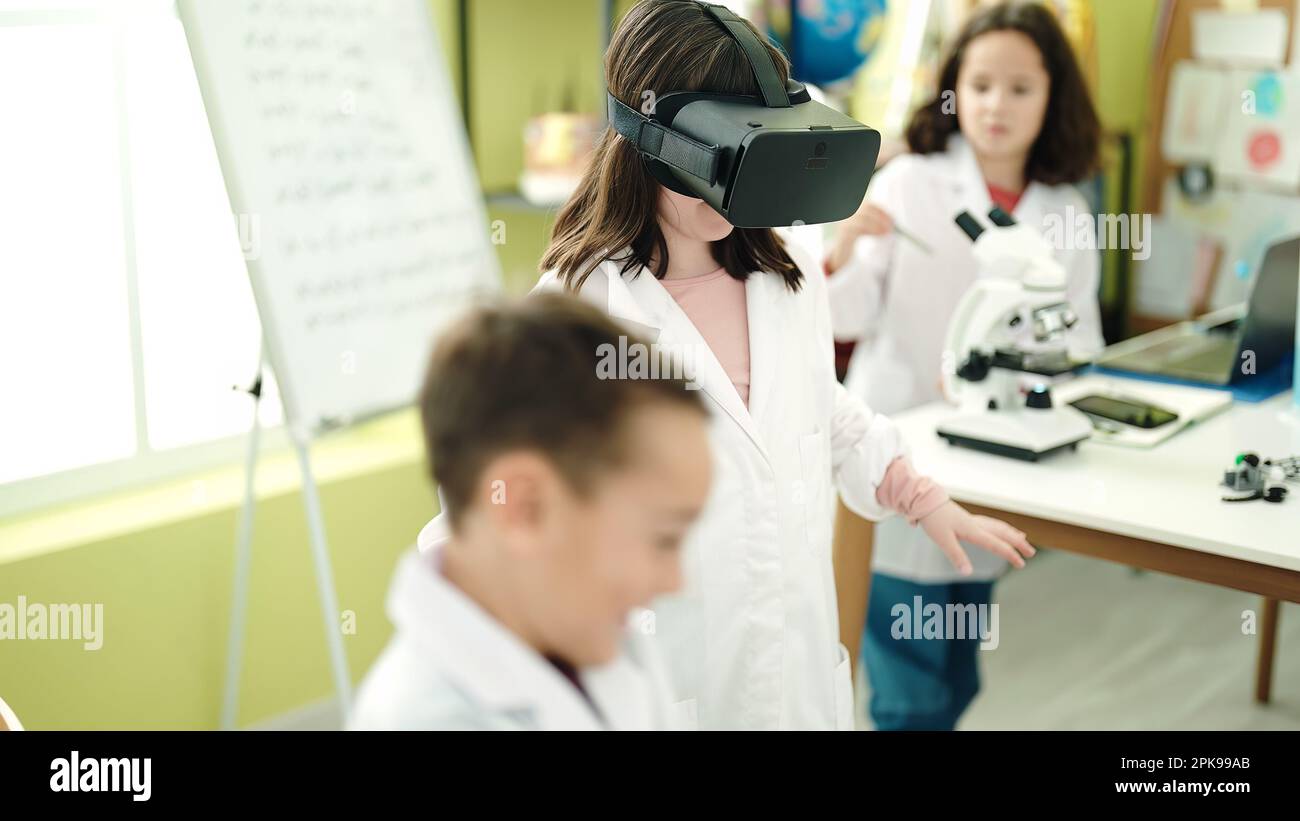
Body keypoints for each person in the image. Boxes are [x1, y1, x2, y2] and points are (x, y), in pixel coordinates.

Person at [519, 0, 1036, 730]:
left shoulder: (784, 272)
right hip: (669, 674)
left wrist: (922, 498)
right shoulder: (583, 310)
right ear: (652, 139)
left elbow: (825, 414)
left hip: (793, 671)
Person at [826, 1, 1105, 730]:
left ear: (1054, 98)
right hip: (898, 450)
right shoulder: (908, 183)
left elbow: (1078, 349)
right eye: (979, 85)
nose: (995, 106)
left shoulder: (1066, 208)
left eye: (1020, 88)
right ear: (953, 89)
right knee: (910, 690)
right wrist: (842, 244)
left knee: (955, 673)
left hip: (993, 466)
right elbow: (842, 317)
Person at [350, 294, 712, 730]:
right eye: (664, 539)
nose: (676, 582)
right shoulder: (424, 719)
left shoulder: (597, 627)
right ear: (523, 507)